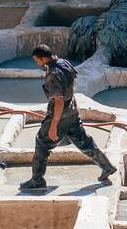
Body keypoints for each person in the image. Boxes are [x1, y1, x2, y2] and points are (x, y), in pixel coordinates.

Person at [20, 44, 117, 191]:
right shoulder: (64, 62)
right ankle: (107, 166)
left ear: (44, 58)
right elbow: (71, 85)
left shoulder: (52, 75)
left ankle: (37, 179)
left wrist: (54, 126)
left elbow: (58, 101)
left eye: (37, 60)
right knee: (83, 141)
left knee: (42, 142)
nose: (37, 64)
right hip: (72, 109)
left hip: (60, 113)